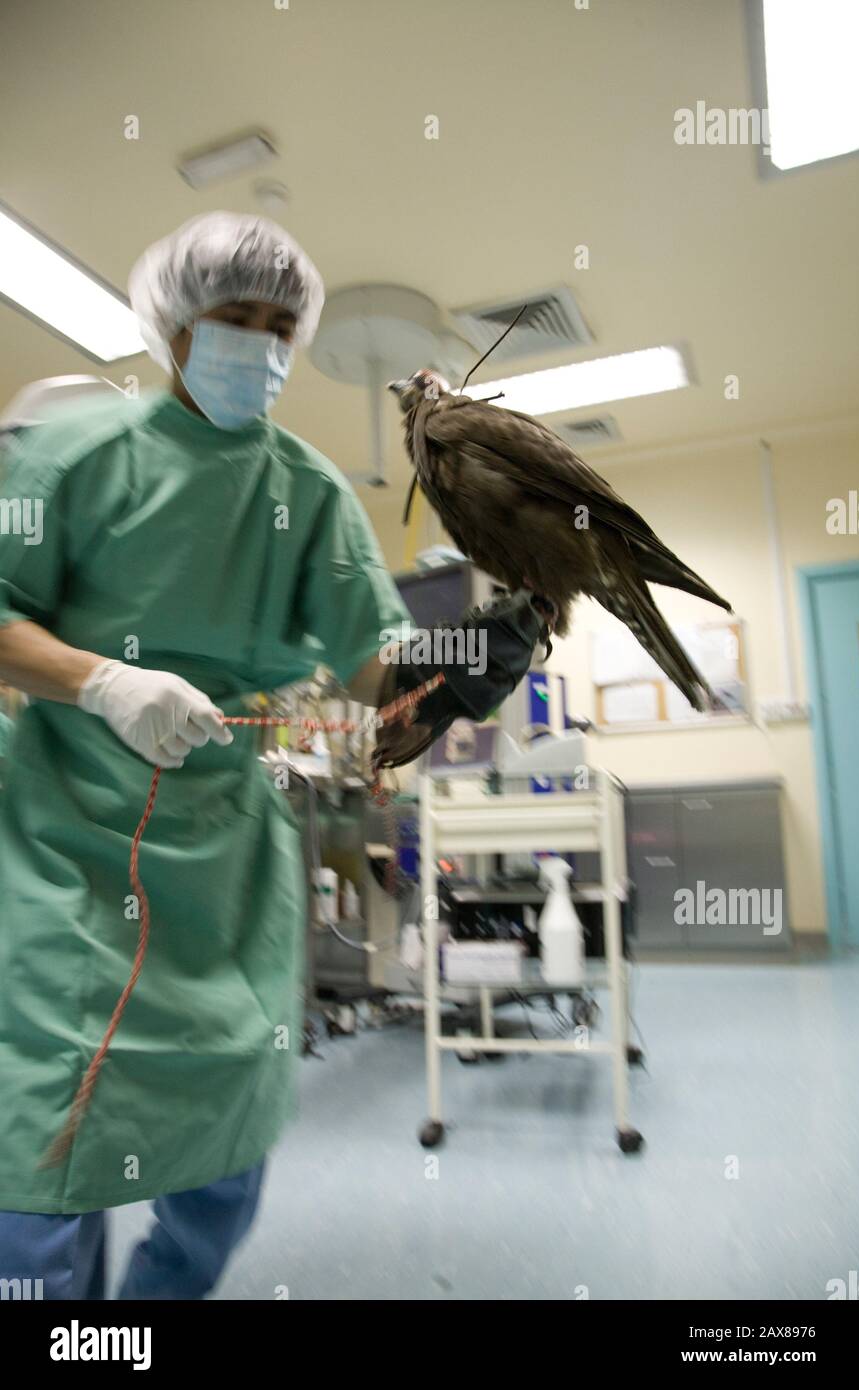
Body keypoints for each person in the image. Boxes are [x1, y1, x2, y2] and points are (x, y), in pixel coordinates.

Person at [0, 212, 547, 1300]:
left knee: (227, 1132)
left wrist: (464, 654)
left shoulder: (308, 490)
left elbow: (368, 665)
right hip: (61, 840)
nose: (257, 342)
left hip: (224, 848)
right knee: (48, 1134)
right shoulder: (74, 454)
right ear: (174, 325)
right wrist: (105, 681)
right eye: (231, 318)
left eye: (278, 325)